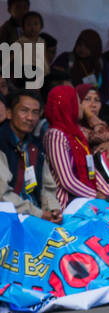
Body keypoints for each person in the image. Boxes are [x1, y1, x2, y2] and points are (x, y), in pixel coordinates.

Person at [42, 82, 109, 209]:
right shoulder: (55, 135)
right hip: (67, 204)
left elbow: (93, 172)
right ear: (67, 106)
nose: (81, 107)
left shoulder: (77, 134)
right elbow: (67, 181)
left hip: (87, 199)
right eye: (78, 102)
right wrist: (98, 196)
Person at [0, 88, 60, 220]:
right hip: (9, 218)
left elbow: (47, 187)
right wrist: (39, 214)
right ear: (9, 113)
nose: (30, 118)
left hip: (37, 216)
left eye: (35, 112)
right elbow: (3, 194)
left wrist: (53, 209)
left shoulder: (35, 146)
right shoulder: (1, 143)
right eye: (24, 110)